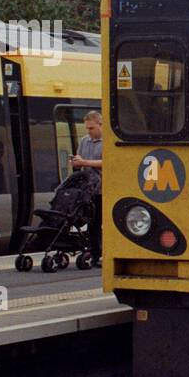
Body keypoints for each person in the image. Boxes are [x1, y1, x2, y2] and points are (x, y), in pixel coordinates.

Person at [70, 109, 103, 263]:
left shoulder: (109, 142)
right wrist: (76, 161)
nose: (89, 131)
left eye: (91, 128)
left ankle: (99, 253)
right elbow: (81, 157)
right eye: (87, 128)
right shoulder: (84, 141)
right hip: (88, 189)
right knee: (92, 222)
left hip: (103, 189)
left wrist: (84, 162)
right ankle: (93, 252)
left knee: (99, 221)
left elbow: (108, 163)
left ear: (101, 125)